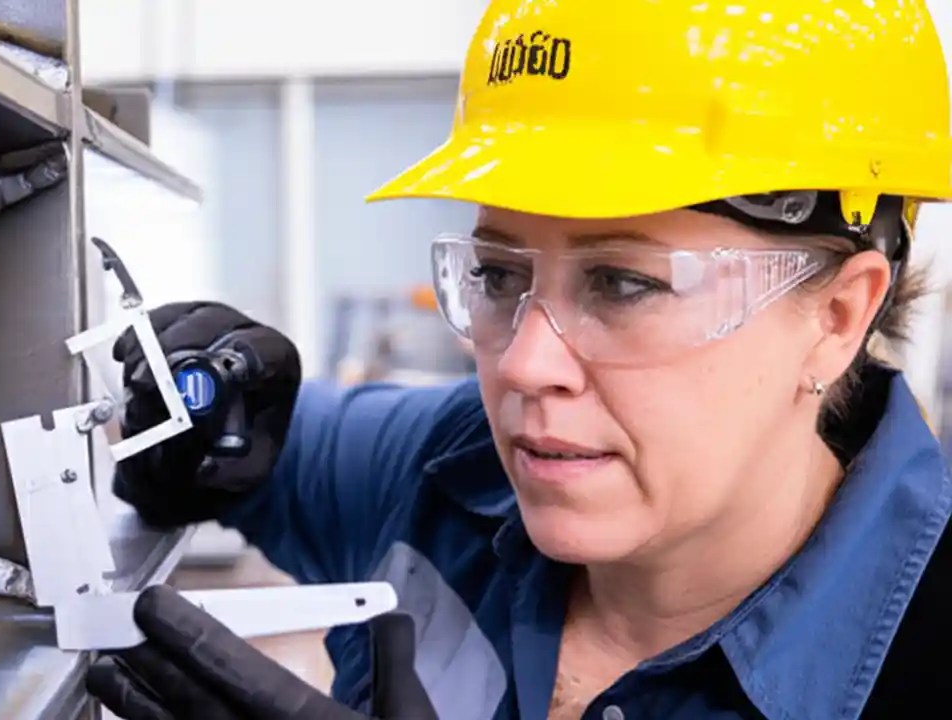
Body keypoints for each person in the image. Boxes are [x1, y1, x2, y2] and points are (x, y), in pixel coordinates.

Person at [86, 1, 952, 718]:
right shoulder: (444, 474)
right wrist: (198, 411)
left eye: (623, 284)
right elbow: (257, 442)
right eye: (499, 274)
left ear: (838, 316)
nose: (526, 365)